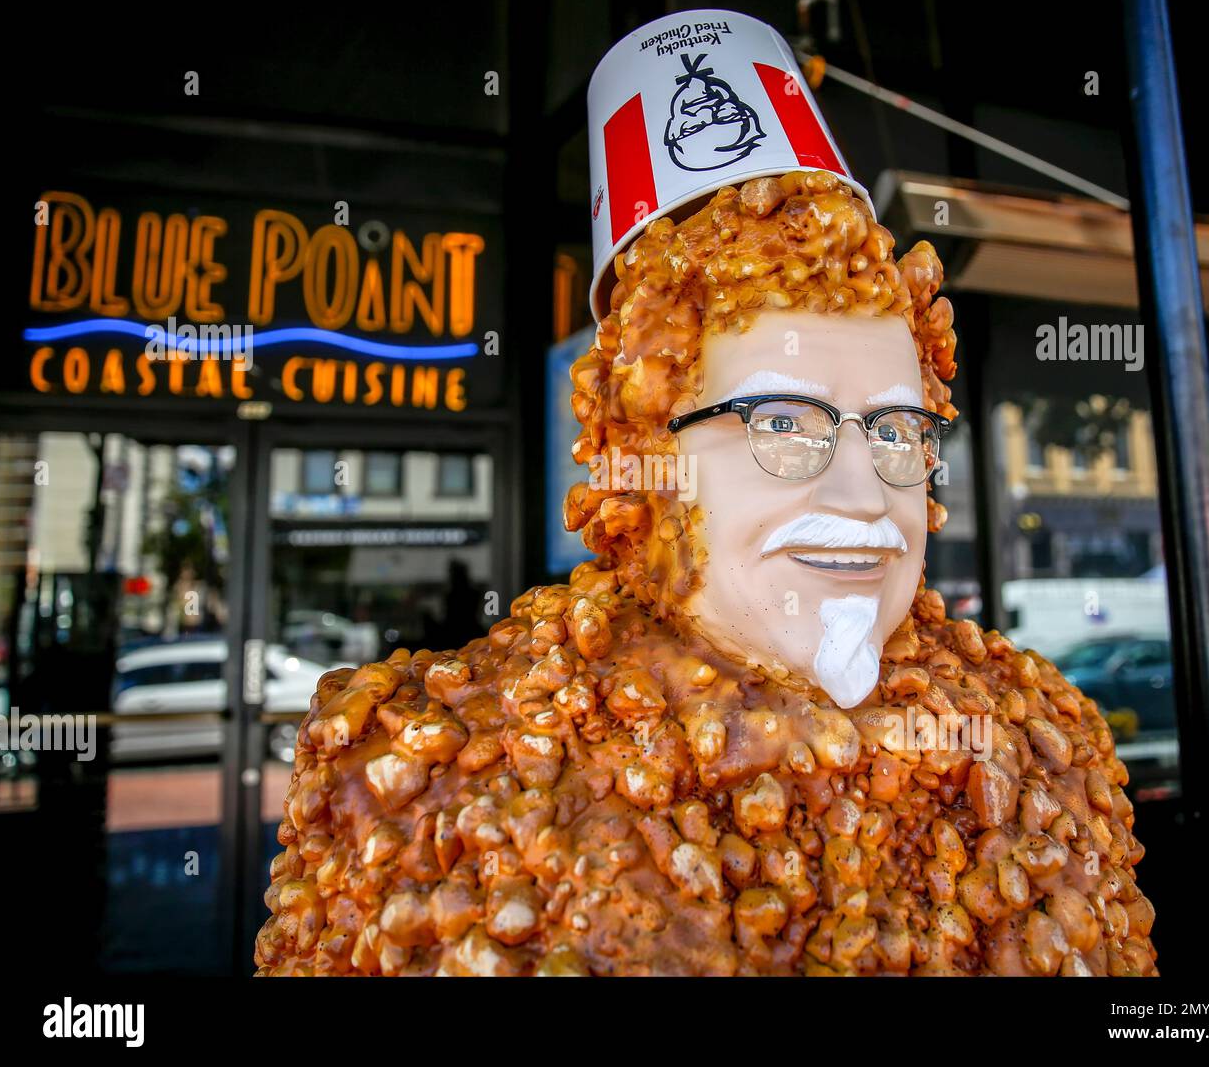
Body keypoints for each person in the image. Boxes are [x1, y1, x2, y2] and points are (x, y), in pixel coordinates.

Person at [255, 169, 1156, 976]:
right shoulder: (408, 795)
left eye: (893, 432)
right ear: (644, 455)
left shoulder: (1052, 756)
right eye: (780, 423)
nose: (863, 493)